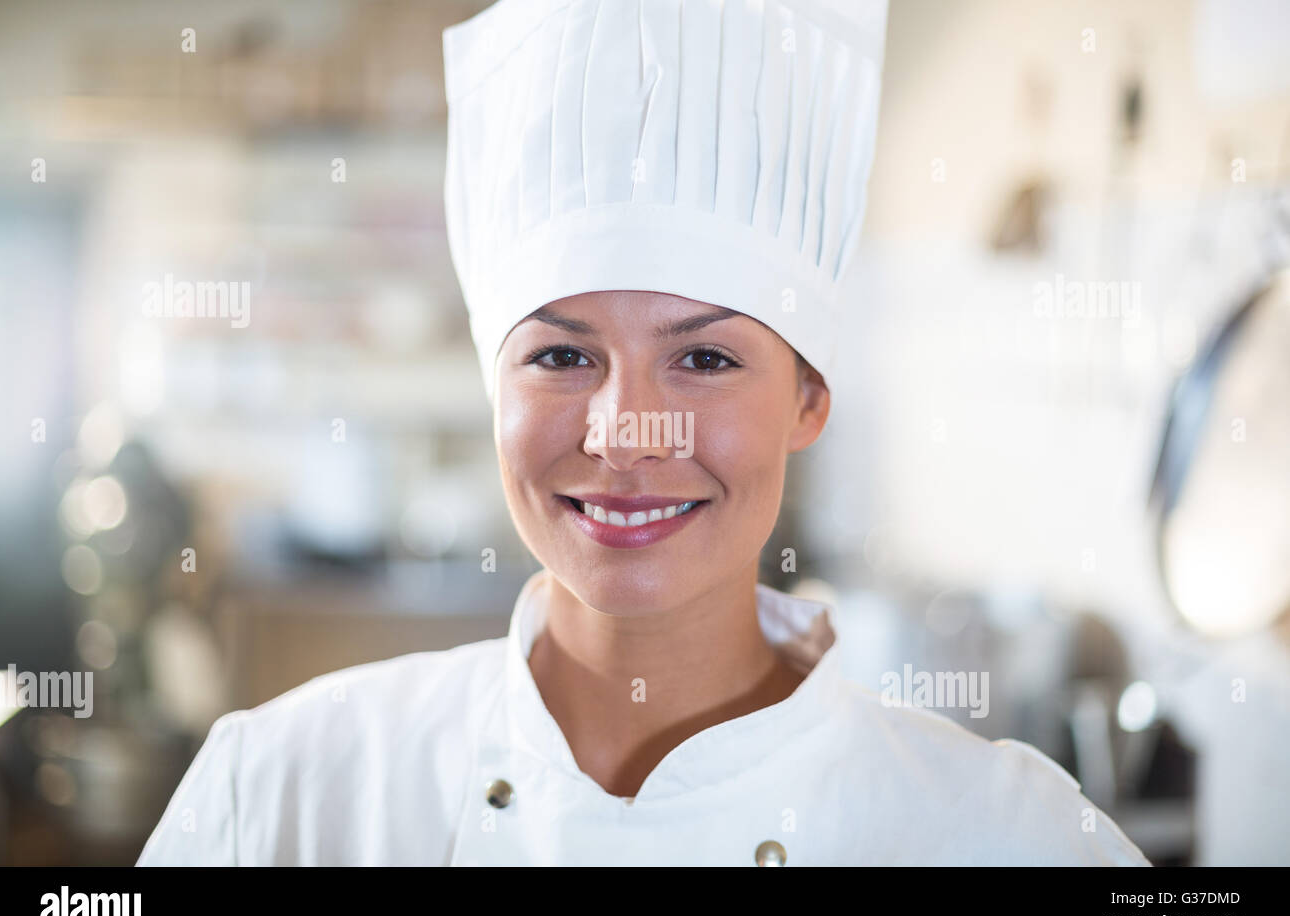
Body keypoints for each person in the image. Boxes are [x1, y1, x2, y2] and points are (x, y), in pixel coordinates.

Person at [137, 0, 1150, 866]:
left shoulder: (1006, 837)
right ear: (494, 387)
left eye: (703, 359)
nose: (624, 432)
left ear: (808, 396)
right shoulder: (279, 794)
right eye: (561, 356)